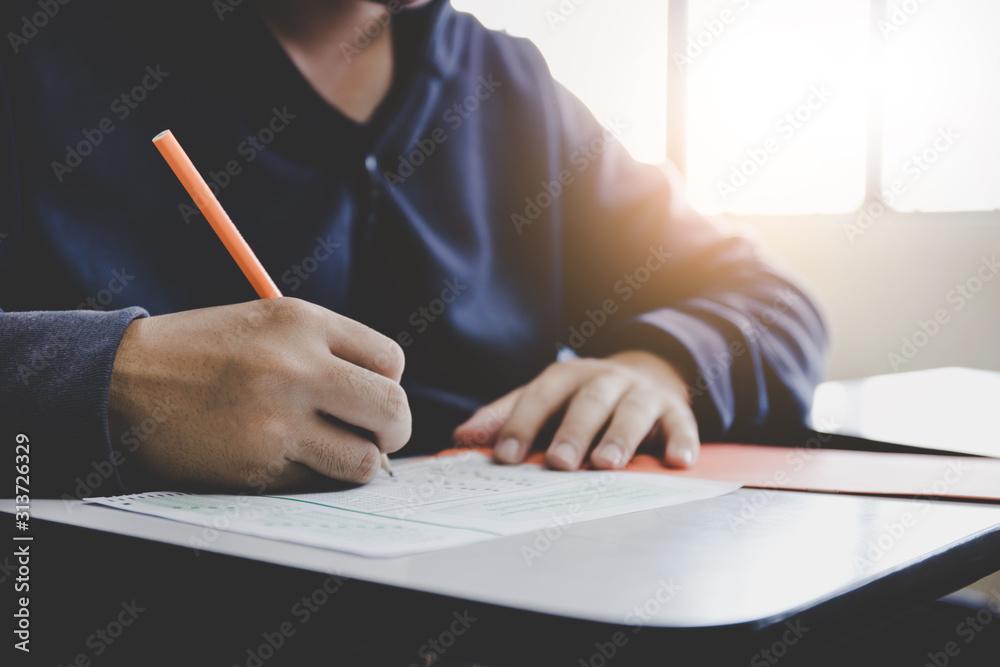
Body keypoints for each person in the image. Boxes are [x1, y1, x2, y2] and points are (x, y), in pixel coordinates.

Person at [0, 0, 826, 499]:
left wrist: (661, 365)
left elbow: (775, 301)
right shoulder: (37, 49)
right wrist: (116, 383)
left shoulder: (510, 87)